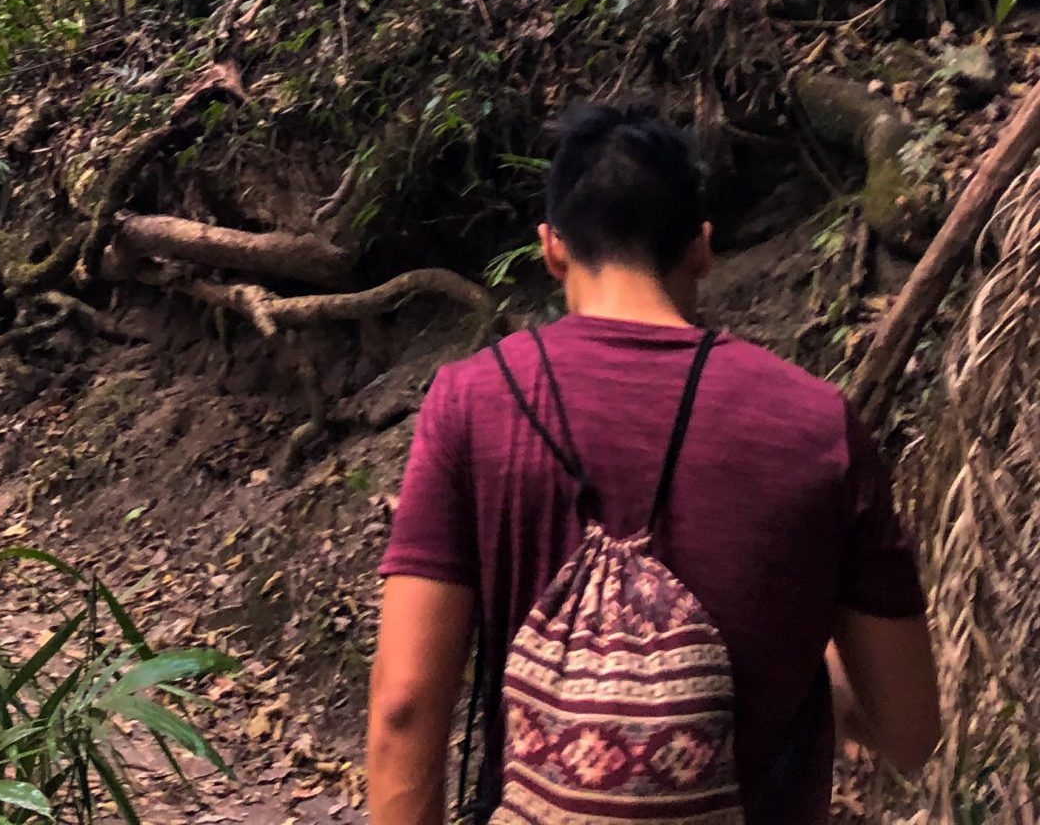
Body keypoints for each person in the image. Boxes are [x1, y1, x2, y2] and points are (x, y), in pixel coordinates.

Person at [366, 101, 939, 825]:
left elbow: (404, 708)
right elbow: (910, 730)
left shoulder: (470, 403)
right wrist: (798, 658)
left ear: (552, 248)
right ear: (702, 247)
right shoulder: (818, 426)